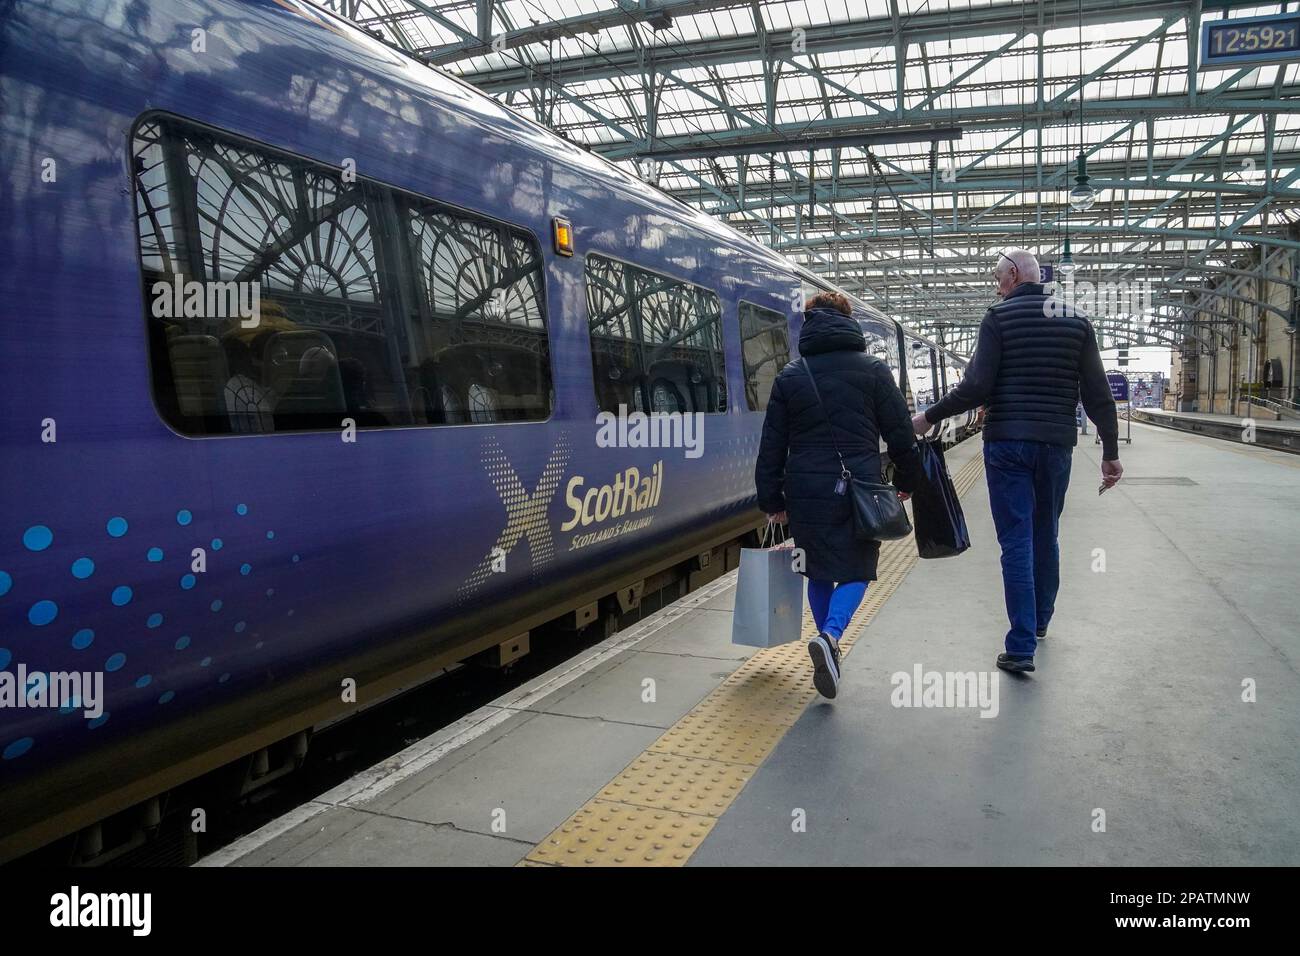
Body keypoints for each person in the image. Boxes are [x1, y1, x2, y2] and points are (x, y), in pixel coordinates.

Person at [914, 249, 1122, 674]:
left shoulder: (998, 318)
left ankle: (1022, 643)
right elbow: (1098, 393)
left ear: (1012, 275)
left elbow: (974, 387)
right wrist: (1110, 454)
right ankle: (1040, 621)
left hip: (1008, 444)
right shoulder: (1077, 322)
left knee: (1016, 542)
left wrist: (927, 417)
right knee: (1046, 535)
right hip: (1055, 444)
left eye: (997, 278)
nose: (996, 287)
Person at [756, 291, 924, 699]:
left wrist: (772, 501)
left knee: (816, 569)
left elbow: (771, 446)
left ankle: (827, 646)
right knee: (857, 568)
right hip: (857, 489)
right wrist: (908, 478)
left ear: (809, 325)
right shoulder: (873, 370)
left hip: (805, 490)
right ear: (850, 323)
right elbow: (901, 433)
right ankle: (831, 638)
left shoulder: (790, 375)